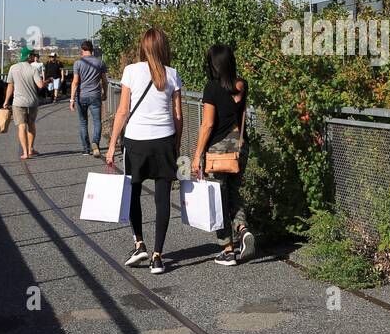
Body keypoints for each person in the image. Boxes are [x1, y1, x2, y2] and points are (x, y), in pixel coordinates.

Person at [105, 28, 181, 275]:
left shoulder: (131, 71)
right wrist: (177, 145)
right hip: (164, 141)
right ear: (163, 48)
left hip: (136, 142)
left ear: (144, 47)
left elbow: (123, 111)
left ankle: (139, 244)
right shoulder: (172, 74)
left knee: (133, 194)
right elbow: (178, 116)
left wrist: (112, 143)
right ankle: (158, 256)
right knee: (162, 200)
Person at [191, 44, 254, 266]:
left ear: (213, 65)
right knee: (234, 194)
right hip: (239, 148)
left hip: (218, 151)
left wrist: (197, 155)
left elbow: (207, 124)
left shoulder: (211, 88)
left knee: (217, 201)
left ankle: (228, 249)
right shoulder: (241, 85)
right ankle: (242, 229)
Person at [3, 47, 45, 160]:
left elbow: (10, 86)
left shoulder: (13, 68)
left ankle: (25, 153)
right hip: (32, 102)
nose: (34, 57)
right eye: (32, 55)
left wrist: (6, 101)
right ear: (29, 57)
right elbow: (40, 85)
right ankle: (31, 149)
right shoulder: (33, 70)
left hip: (18, 102)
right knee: (31, 124)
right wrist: (47, 81)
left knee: (21, 127)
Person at [70, 39, 108, 157]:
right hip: (95, 96)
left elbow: (75, 82)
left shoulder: (78, 63)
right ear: (92, 50)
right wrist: (105, 93)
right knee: (97, 122)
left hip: (81, 96)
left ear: (82, 50)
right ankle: (95, 142)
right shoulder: (100, 62)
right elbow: (104, 81)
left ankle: (86, 149)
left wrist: (71, 99)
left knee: (83, 122)